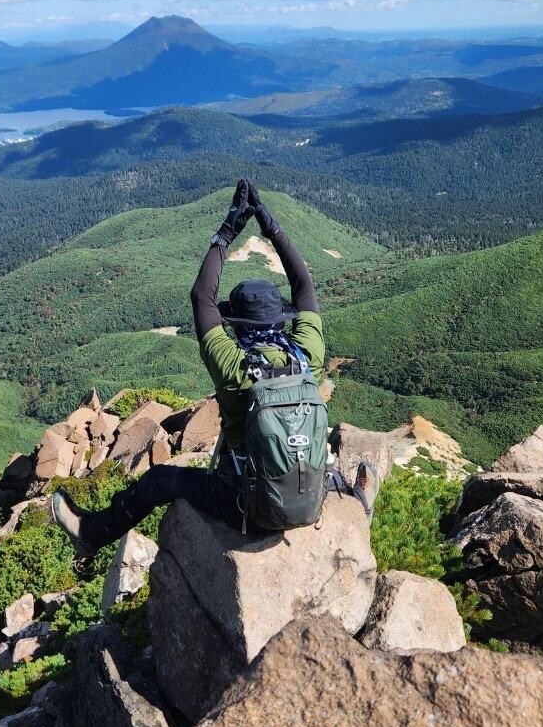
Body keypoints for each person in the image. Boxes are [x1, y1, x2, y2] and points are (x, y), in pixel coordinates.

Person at [51, 178, 346, 559]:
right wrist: (270, 224)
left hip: (247, 507)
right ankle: (353, 498)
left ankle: (90, 532)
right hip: (310, 497)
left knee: (159, 480)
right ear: (280, 318)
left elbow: (201, 296)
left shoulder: (235, 366)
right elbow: (305, 285)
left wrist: (228, 230)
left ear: (237, 326)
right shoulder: (307, 353)